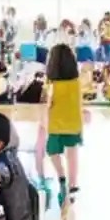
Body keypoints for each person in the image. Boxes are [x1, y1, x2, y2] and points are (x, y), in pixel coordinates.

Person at [42, 43, 83, 206]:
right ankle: (73, 183)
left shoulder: (51, 85)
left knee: (52, 150)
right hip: (73, 123)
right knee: (72, 153)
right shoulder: (76, 82)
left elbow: (49, 103)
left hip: (56, 124)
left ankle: (62, 176)